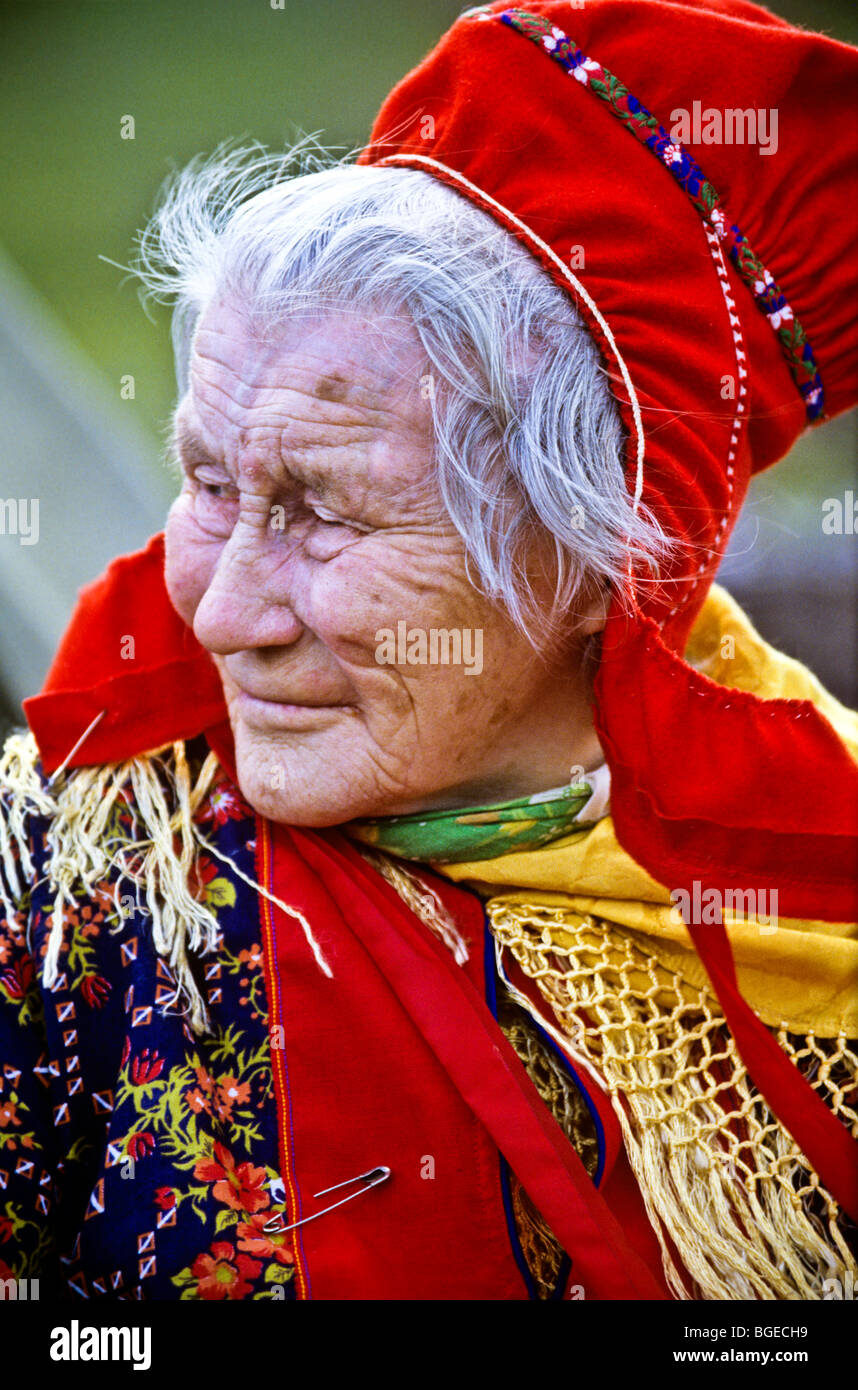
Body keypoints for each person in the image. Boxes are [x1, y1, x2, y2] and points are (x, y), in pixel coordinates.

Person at [1, 0, 856, 1301]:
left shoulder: (813, 913)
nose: (222, 614)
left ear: (597, 565)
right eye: (212, 486)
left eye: (322, 511)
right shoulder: (69, 906)